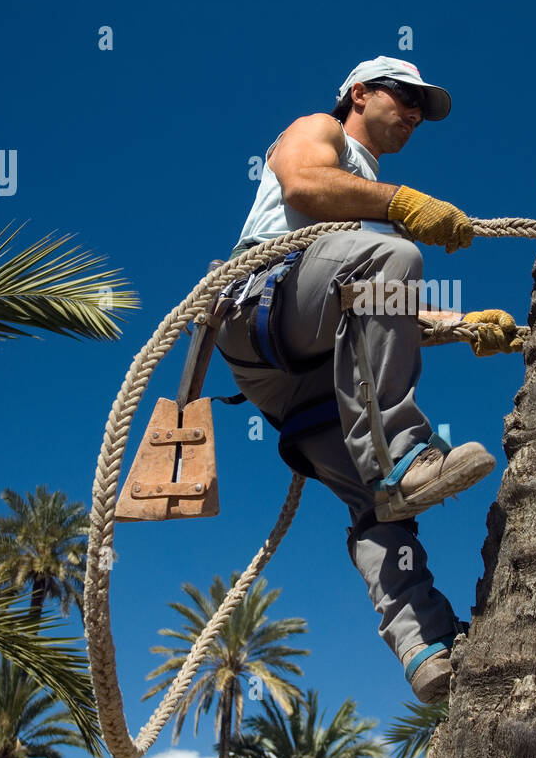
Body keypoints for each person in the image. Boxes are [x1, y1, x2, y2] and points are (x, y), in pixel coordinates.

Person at [216, 56, 520, 702]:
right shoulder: (318, 133)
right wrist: (404, 205)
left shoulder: (369, 221)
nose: (412, 113)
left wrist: (465, 325)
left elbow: (377, 300)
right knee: (396, 256)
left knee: (377, 507)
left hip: (300, 378)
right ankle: (404, 453)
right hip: (261, 309)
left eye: (421, 107)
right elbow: (300, 184)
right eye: (403, 96)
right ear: (358, 92)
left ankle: (426, 646)